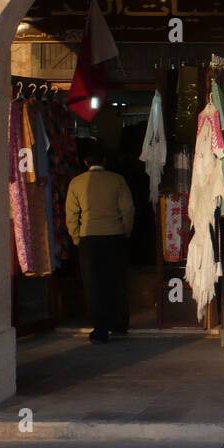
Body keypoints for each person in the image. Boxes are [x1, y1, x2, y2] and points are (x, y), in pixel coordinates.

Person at [65, 141, 134, 343]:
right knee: (116, 280)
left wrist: (76, 236)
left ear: (85, 162)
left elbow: (71, 214)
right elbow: (128, 210)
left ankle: (100, 328)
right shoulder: (117, 180)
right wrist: (125, 232)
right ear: (104, 161)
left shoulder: (76, 183)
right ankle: (119, 323)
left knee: (93, 284)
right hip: (114, 236)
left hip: (88, 238)